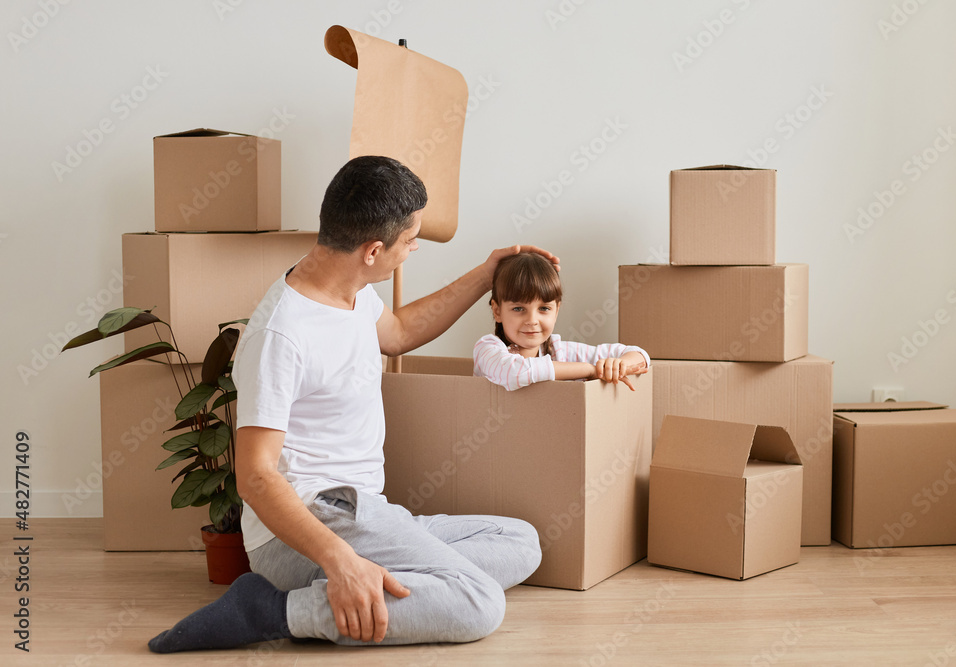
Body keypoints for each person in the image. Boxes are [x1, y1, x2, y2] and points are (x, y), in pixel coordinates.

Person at [148, 155, 550, 653]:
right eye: (410, 240)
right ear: (373, 250)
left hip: (364, 512)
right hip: (308, 526)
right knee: (478, 602)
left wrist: (487, 273)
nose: (414, 247)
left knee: (519, 542)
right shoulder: (282, 334)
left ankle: (384, 581)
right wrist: (339, 560)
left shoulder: (351, 291)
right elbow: (255, 477)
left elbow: (399, 333)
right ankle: (270, 610)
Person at [473, 252, 649, 391]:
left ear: (556, 311)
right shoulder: (487, 349)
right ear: (497, 311)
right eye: (518, 309)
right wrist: (591, 370)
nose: (532, 320)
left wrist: (618, 365)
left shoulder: (559, 351)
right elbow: (514, 372)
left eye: (544, 309)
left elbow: (639, 354)